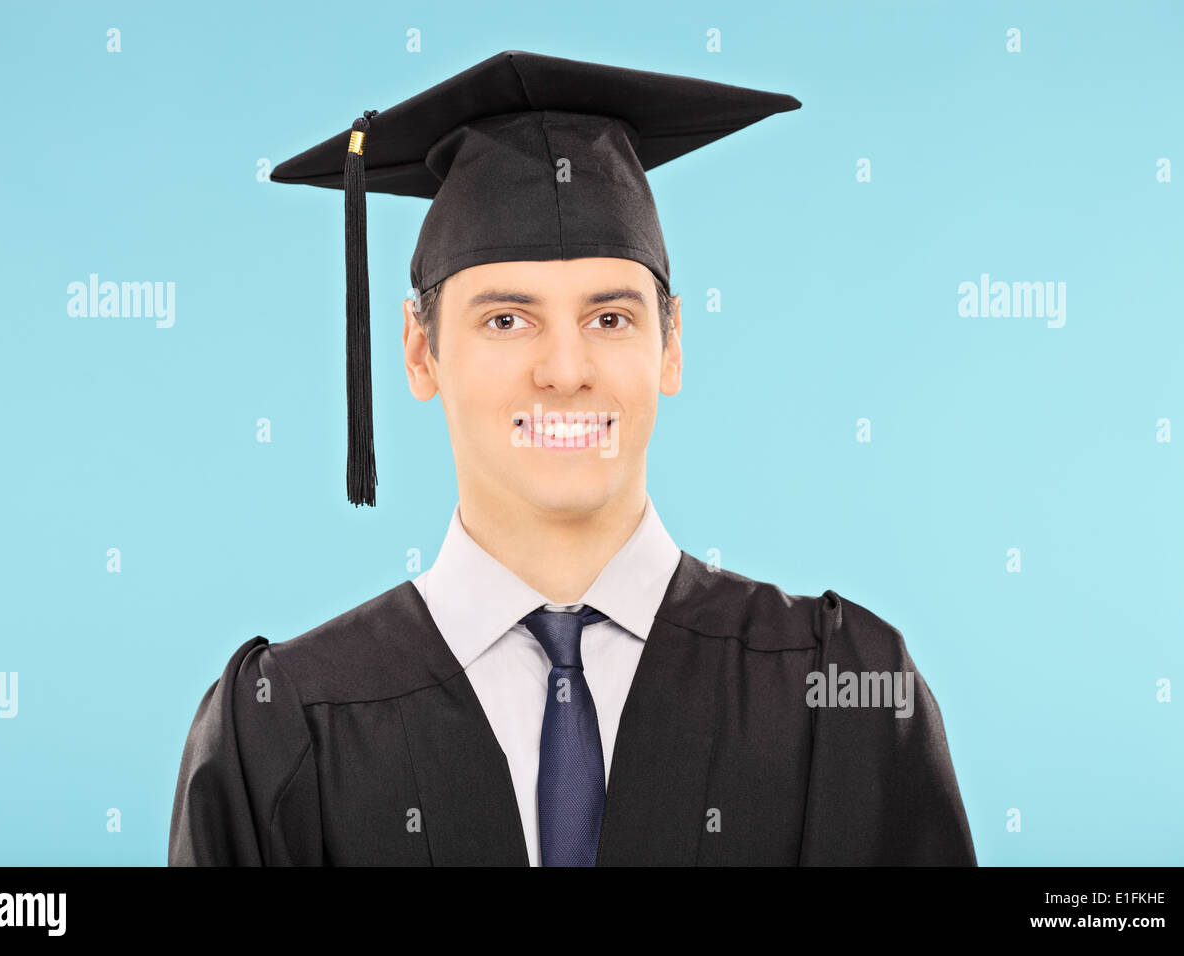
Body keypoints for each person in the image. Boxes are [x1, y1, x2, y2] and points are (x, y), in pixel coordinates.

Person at [168, 49, 976, 866]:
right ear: (420, 352)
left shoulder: (840, 694)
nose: (564, 369)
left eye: (611, 318)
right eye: (507, 320)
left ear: (672, 346)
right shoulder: (281, 724)